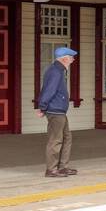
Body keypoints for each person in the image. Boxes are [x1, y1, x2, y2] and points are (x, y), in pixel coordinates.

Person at [37, 45, 77, 176]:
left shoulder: (57, 70)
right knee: (56, 140)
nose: (73, 60)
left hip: (59, 110)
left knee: (67, 138)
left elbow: (46, 88)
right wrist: (42, 106)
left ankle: (63, 166)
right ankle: (51, 169)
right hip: (55, 110)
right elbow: (49, 90)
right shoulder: (55, 71)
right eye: (71, 57)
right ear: (65, 59)